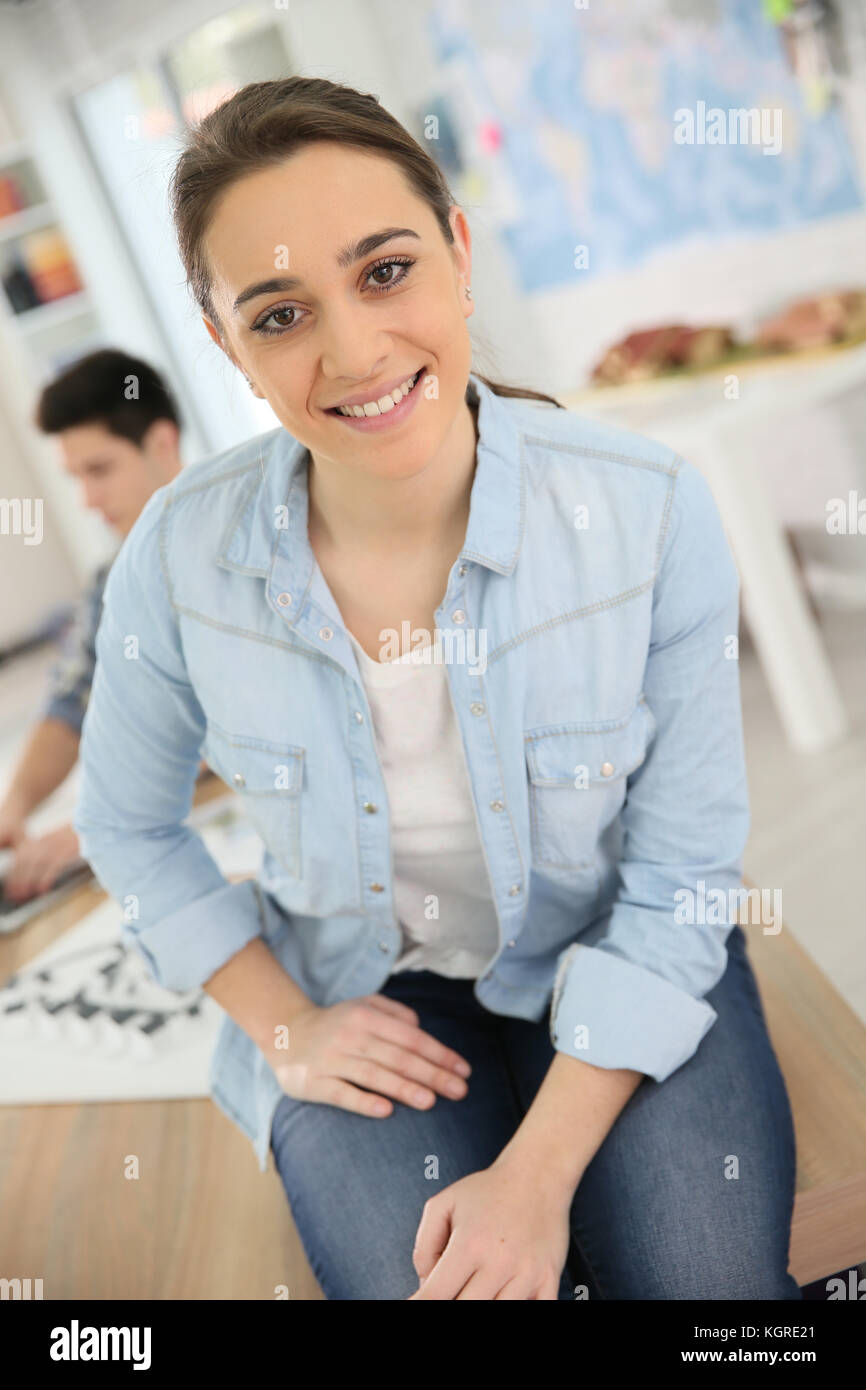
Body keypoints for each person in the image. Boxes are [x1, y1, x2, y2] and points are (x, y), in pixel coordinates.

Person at [74, 77, 801, 1301]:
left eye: (385, 270)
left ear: (457, 253)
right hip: (359, 991)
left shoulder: (648, 510)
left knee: (706, 1293)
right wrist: (285, 1026)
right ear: (225, 346)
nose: (354, 351)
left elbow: (681, 879)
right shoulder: (177, 557)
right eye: (281, 312)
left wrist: (533, 1182)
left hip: (617, 950)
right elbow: (128, 825)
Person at [0, 349, 185, 901]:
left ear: (162, 444)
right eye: (75, 477)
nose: (86, 500)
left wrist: (103, 822)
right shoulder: (111, 582)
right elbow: (71, 703)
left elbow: (233, 729)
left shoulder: (245, 547)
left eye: (99, 470)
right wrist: (16, 806)